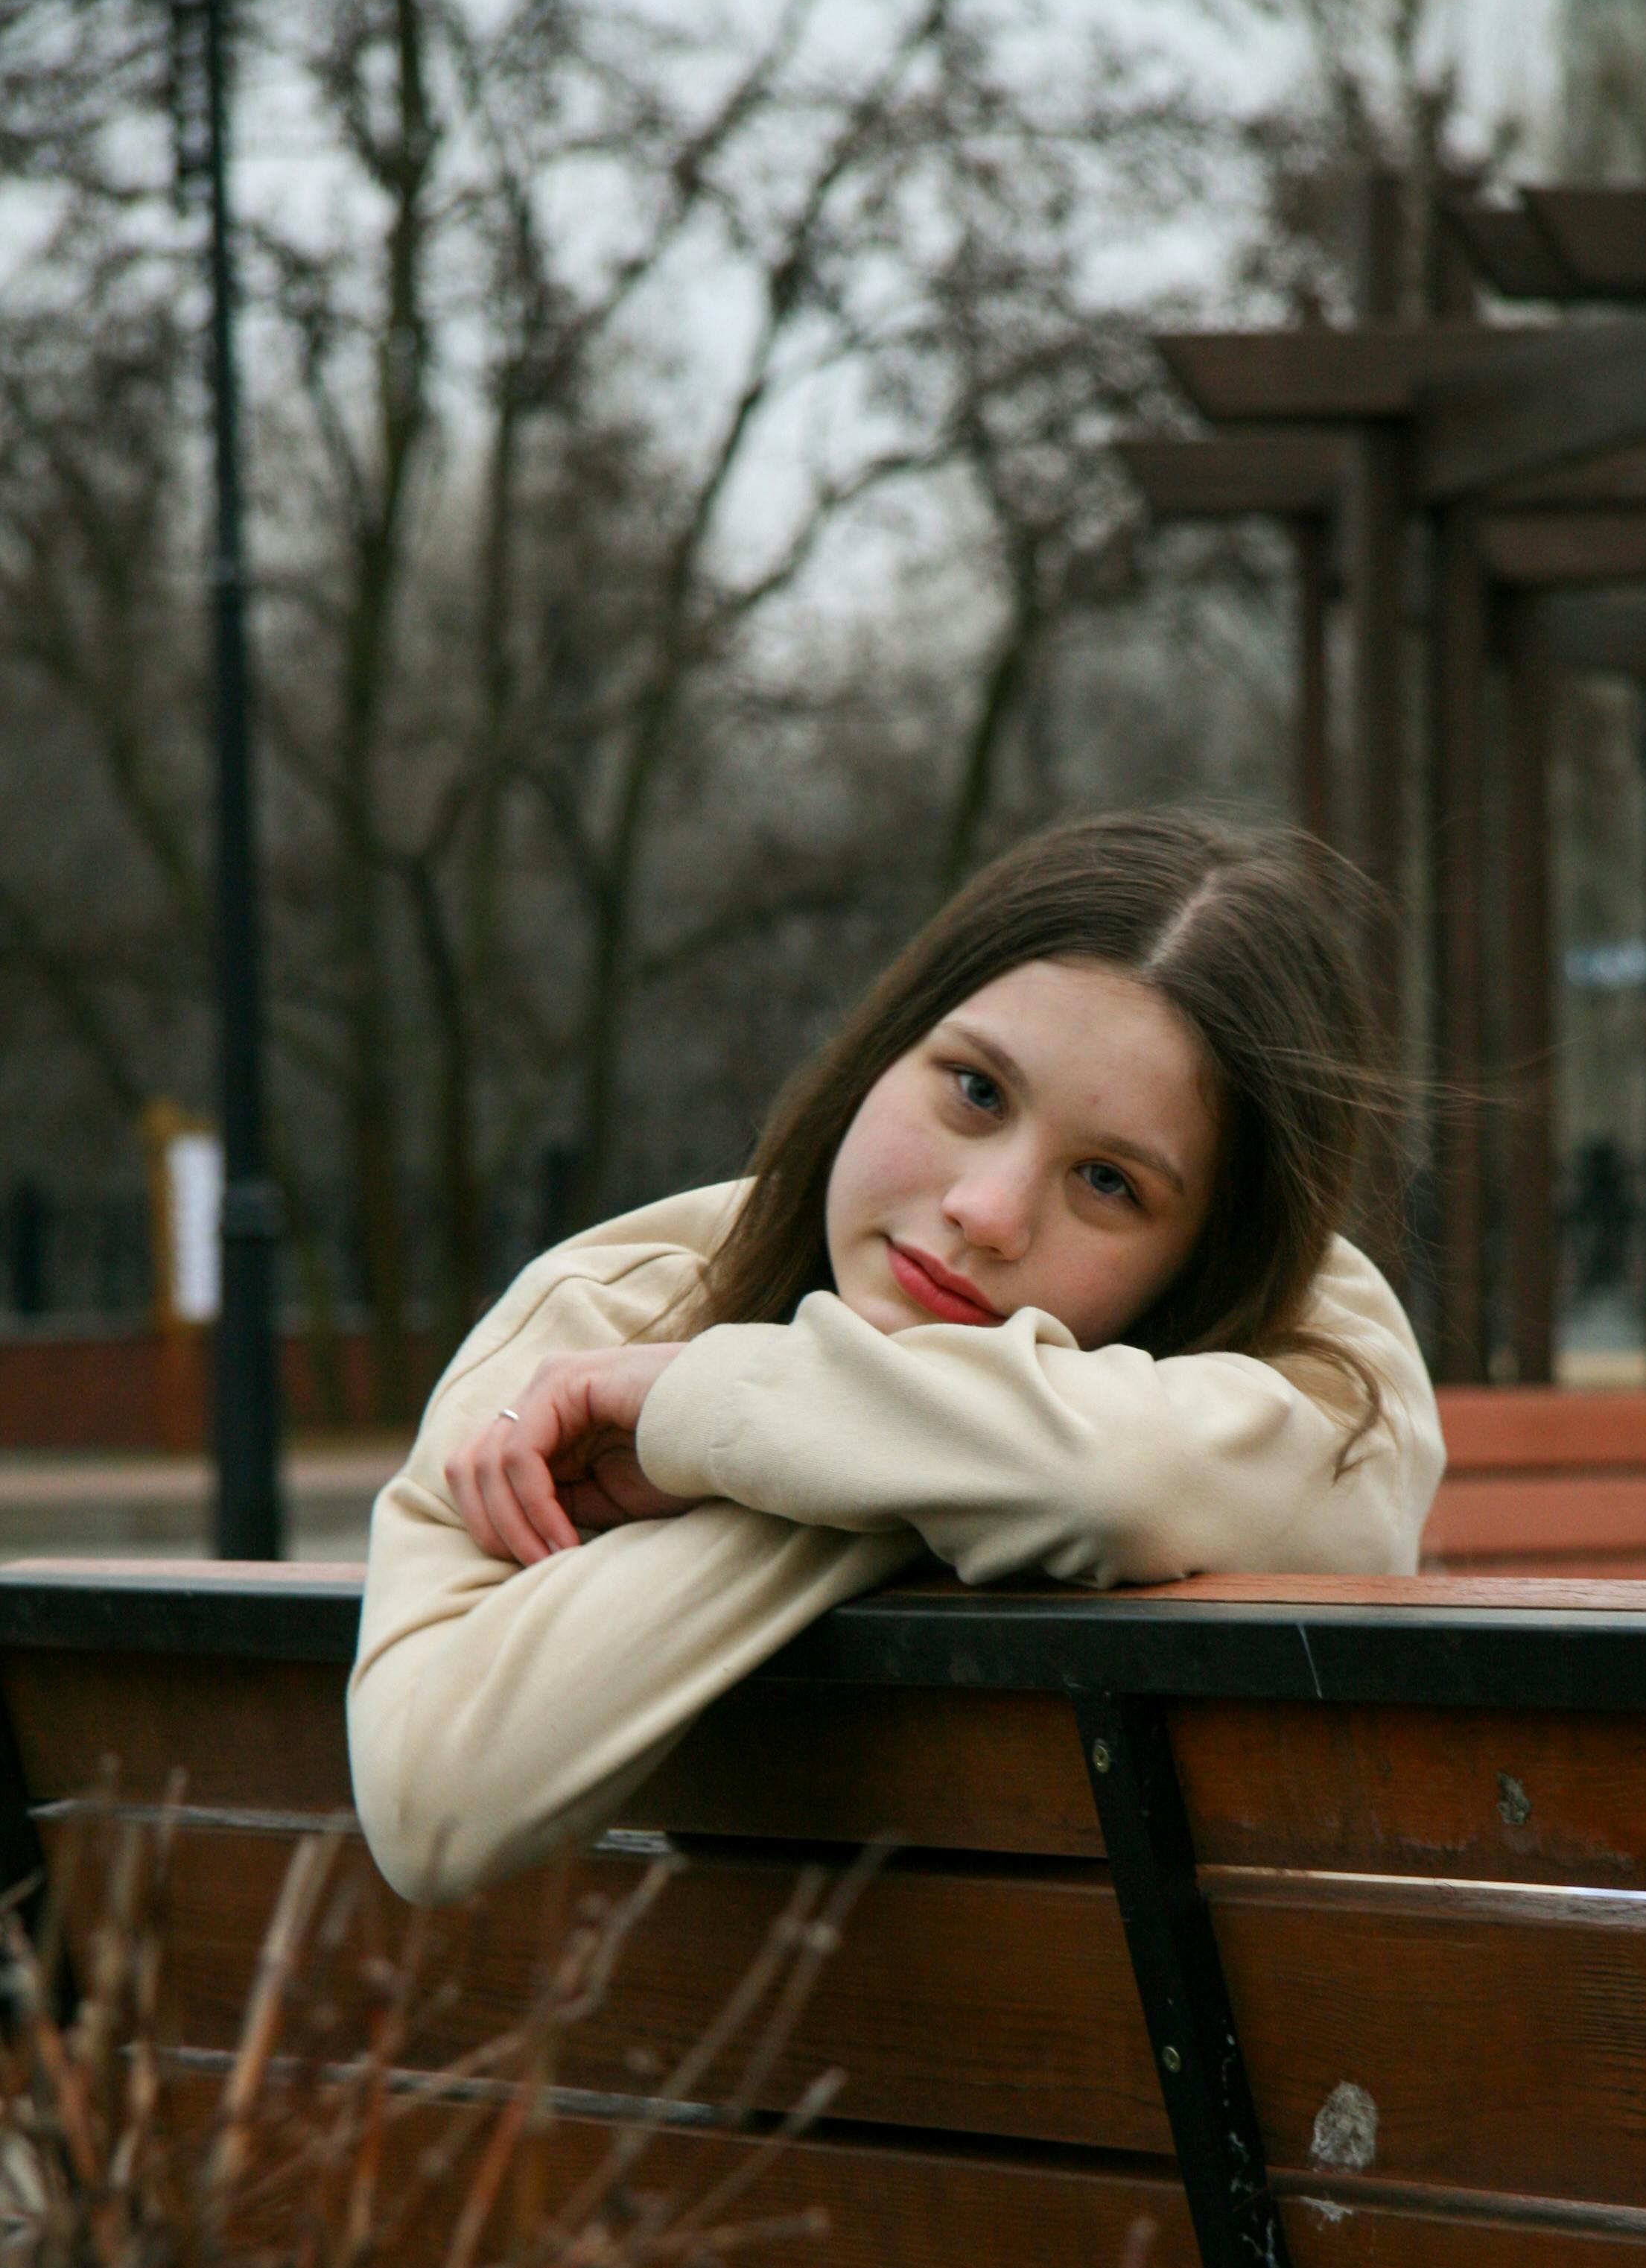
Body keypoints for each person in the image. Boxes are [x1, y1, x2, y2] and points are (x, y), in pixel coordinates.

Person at [350, 811, 1445, 1902]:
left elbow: (1117, 1483)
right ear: (883, 1048)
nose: (987, 1211)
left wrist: (714, 1415)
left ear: (1203, 1264)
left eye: (1109, 1182)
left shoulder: (1324, 1352)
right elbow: (430, 1802)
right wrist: (915, 1482)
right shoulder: (617, 1309)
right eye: (976, 1090)